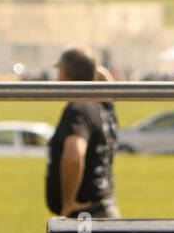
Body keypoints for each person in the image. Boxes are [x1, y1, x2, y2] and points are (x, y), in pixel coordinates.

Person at [45, 47, 120, 219]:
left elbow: (74, 155)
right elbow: (109, 87)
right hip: (106, 210)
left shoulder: (78, 109)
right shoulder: (103, 105)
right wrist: (93, 69)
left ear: (64, 74)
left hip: (86, 217)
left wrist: (68, 202)